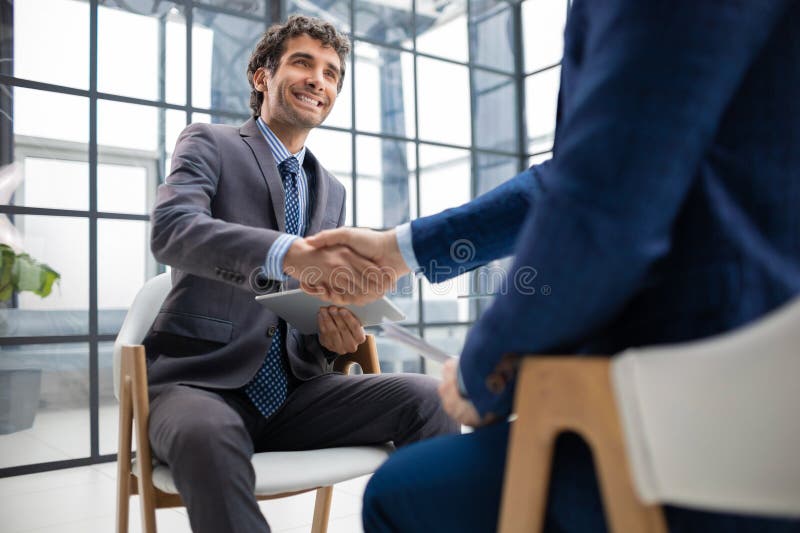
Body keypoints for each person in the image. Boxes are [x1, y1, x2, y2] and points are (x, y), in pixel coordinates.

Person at [305, 1, 800, 531]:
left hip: (697, 421)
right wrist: (401, 249)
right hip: (743, 404)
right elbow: (592, 170)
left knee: (398, 494)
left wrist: (483, 374)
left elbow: (603, 201)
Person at [145, 15, 457, 533]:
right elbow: (173, 229)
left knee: (428, 398)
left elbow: (305, 312)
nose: (320, 80)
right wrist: (292, 254)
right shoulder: (209, 143)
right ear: (262, 77)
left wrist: (335, 339)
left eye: (332, 73)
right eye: (303, 63)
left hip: (297, 395)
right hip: (200, 385)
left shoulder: (331, 190)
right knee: (206, 435)